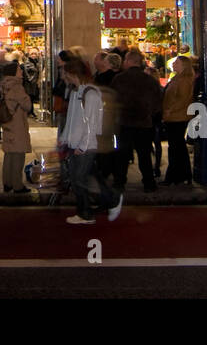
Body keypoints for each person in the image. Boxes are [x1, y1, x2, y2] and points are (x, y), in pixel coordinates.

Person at [61, 55, 123, 225]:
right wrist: (65, 138)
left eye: (65, 73)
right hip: (77, 142)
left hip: (85, 144)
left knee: (78, 178)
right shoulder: (76, 92)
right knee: (86, 175)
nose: (63, 76)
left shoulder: (89, 93)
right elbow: (72, 119)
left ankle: (89, 211)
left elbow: (91, 122)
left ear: (73, 73)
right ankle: (105, 202)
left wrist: (83, 145)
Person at [111, 48, 163, 192]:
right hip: (144, 123)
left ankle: (119, 182)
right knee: (144, 154)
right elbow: (157, 102)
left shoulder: (120, 79)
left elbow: (113, 99)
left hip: (124, 122)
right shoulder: (149, 80)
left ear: (129, 61)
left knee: (122, 155)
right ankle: (148, 182)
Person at [162, 55, 197, 185]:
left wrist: (169, 111)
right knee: (178, 147)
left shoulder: (183, 80)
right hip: (176, 116)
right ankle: (183, 174)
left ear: (183, 65)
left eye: (176, 62)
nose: (173, 64)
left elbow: (183, 100)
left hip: (177, 117)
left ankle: (174, 176)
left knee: (175, 147)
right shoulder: (179, 78)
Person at [0, 63, 32, 192]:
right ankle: (17, 185)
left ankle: (7, 182)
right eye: (19, 70)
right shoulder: (17, 86)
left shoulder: (5, 85)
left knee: (9, 154)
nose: (21, 72)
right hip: (17, 124)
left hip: (8, 122)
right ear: (13, 72)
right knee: (18, 154)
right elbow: (27, 105)